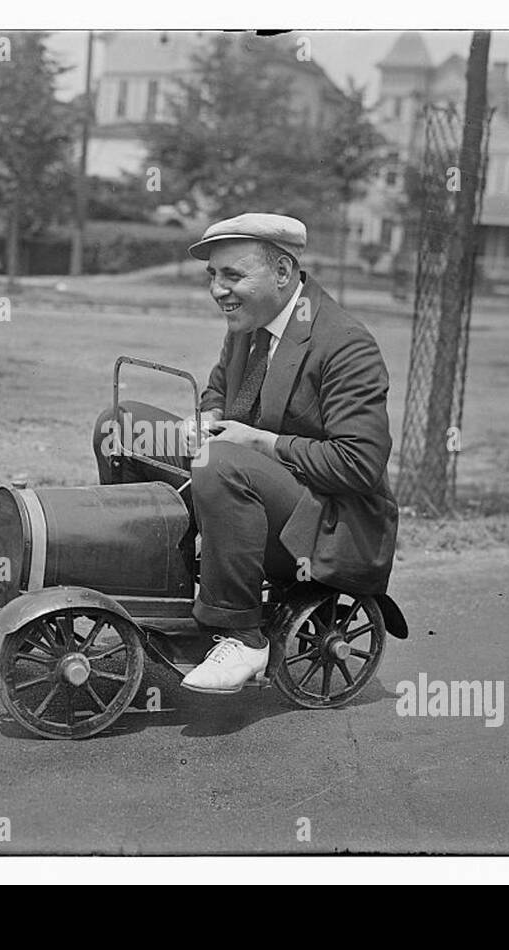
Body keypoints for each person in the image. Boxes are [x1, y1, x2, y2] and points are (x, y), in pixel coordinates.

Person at [91, 213, 398, 694]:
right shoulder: (248, 323)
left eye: (232, 275)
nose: (218, 289)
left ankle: (242, 635)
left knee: (221, 462)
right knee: (122, 424)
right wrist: (206, 420)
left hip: (327, 520)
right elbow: (217, 390)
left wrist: (259, 442)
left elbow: (359, 464)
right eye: (212, 276)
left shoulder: (345, 343)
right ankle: (148, 579)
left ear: (282, 272)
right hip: (248, 484)